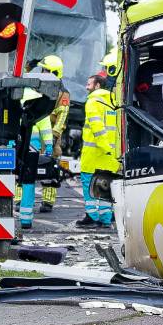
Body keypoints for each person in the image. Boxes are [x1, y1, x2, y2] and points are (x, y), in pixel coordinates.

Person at [76, 72, 119, 228]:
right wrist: (109, 150)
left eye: (89, 84)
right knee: (104, 185)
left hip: (94, 153)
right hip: (110, 155)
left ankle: (92, 217)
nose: (87, 87)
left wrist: (103, 146)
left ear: (97, 85)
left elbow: (97, 126)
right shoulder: (114, 100)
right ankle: (106, 218)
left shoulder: (93, 101)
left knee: (89, 186)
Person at [36, 55, 69, 213]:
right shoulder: (38, 85)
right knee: (24, 167)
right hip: (34, 132)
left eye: (46, 69)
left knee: (50, 167)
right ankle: (19, 199)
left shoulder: (62, 92)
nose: (42, 71)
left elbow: (62, 115)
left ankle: (47, 202)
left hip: (50, 134)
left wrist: (55, 135)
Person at [17, 88, 53, 230]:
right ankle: (26, 220)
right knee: (28, 182)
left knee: (13, 180)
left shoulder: (14, 106)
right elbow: (46, 129)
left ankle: (15, 212)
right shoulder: (38, 109)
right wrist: (49, 145)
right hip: (32, 149)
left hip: (14, 148)